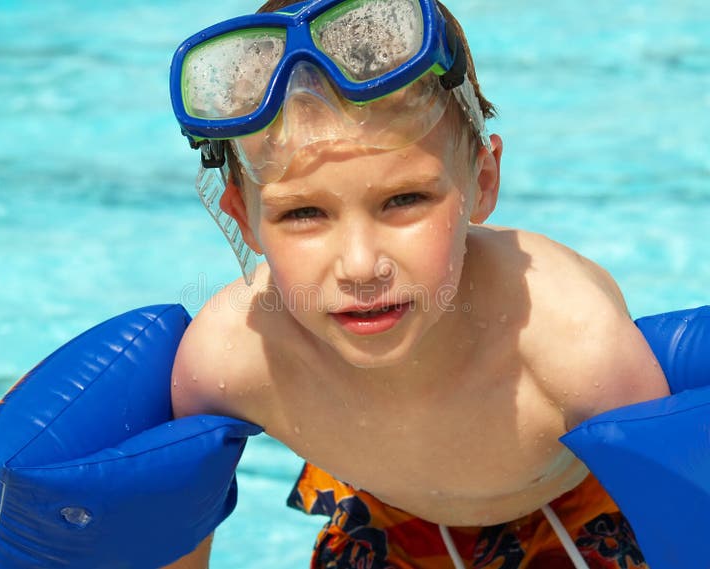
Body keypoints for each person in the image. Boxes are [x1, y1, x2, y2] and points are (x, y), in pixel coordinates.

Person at [165, 0, 669, 567]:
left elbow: (682, 523)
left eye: (404, 200)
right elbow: (176, 541)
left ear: (482, 182)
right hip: (387, 511)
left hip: (579, 501)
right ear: (243, 219)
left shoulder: (571, 340)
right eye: (303, 213)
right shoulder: (229, 363)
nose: (360, 266)